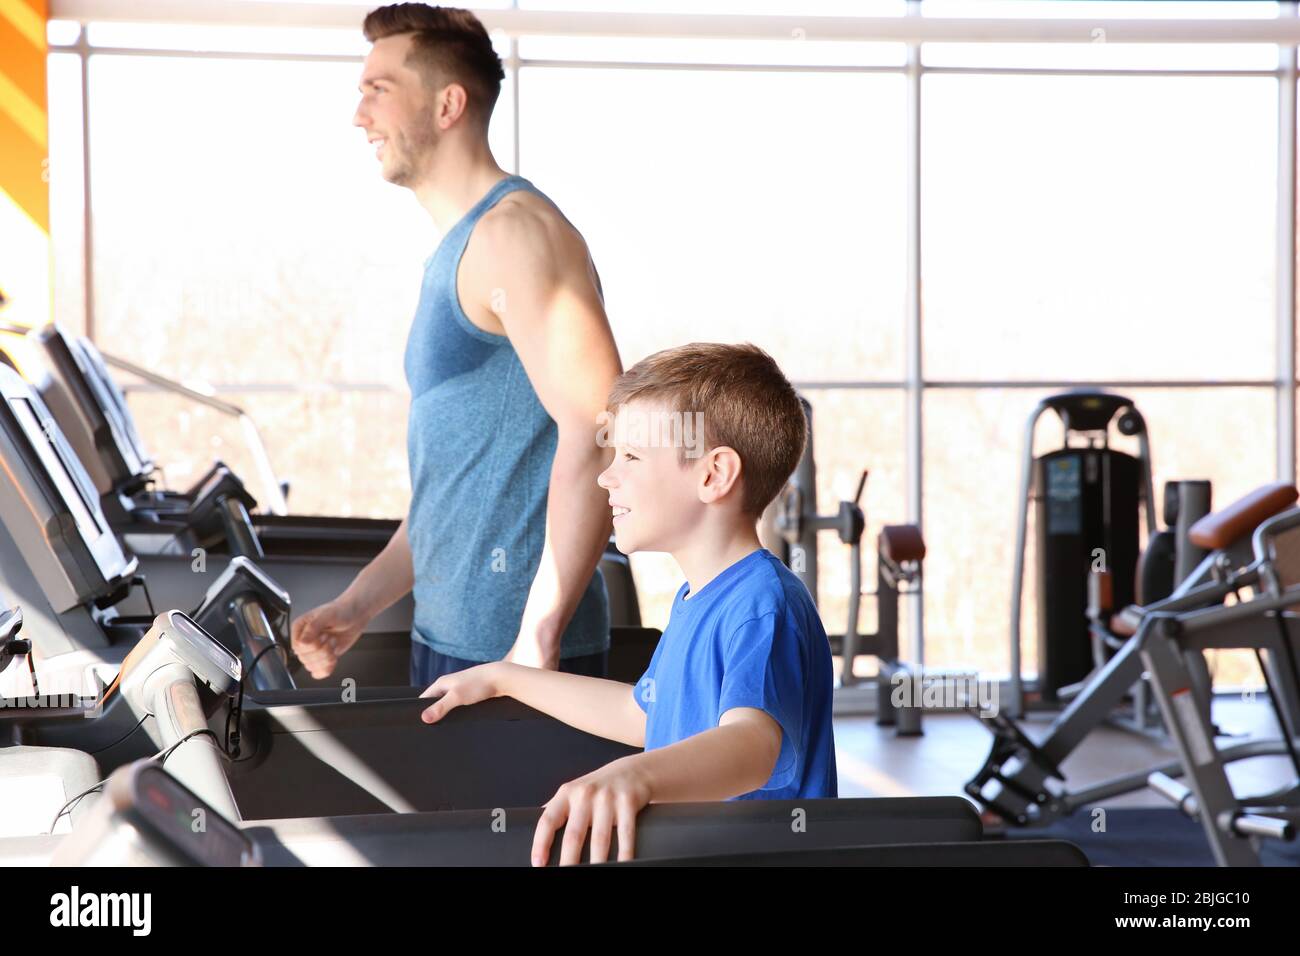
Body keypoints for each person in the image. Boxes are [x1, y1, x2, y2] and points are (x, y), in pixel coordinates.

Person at [291, 4, 622, 685]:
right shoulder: (460, 250)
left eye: (377, 91)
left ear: (448, 104)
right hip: (454, 641)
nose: (359, 117)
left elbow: (597, 428)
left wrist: (538, 635)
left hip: (513, 656)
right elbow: (452, 490)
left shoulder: (516, 234)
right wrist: (358, 606)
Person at [420, 343, 838, 865]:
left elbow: (753, 744)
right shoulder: (697, 598)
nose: (606, 476)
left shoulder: (762, 605)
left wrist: (634, 774)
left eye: (632, 456)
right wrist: (506, 678)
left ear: (713, 475)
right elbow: (642, 714)